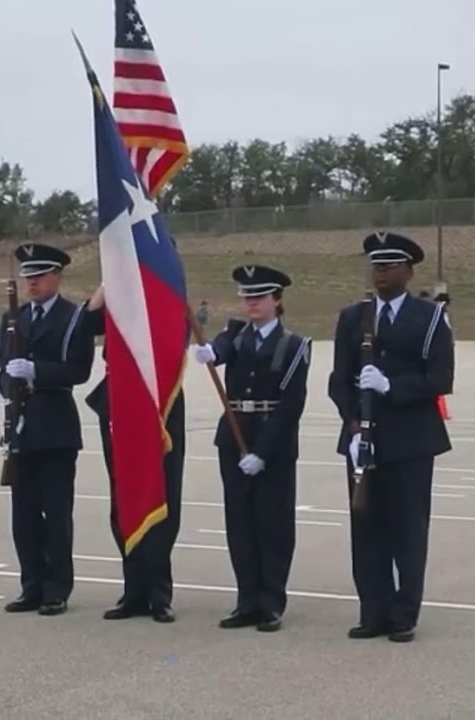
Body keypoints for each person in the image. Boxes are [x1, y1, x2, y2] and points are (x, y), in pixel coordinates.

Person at [327, 231, 455, 643]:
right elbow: (339, 381)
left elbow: (440, 378)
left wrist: (392, 387)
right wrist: (351, 425)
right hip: (362, 440)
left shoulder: (430, 317)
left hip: (411, 440)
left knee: (408, 530)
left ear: (408, 270)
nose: (381, 272)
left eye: (390, 265)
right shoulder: (352, 317)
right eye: (376, 265)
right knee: (366, 529)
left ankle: (404, 613)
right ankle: (373, 611)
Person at [192, 264, 311, 633]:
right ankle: (246, 600)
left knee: (272, 523)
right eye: (246, 297)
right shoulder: (235, 334)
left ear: (277, 300)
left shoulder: (294, 346)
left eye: (259, 296)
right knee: (240, 522)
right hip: (234, 437)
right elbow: (224, 347)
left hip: (271, 442)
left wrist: (263, 451)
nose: (251, 303)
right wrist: (211, 352)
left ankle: (271, 601)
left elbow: (292, 404)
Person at [0, 243, 96, 617]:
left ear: (57, 276)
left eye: (39, 276)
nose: (32, 283)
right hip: (21, 426)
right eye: (28, 277)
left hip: (55, 425)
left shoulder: (73, 318)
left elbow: (79, 371)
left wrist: (37, 373)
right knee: (23, 515)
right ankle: (31, 585)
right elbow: (2, 370)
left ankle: (57, 587)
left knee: (55, 512)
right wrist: (11, 390)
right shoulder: (13, 318)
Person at [78, 286, 185, 624]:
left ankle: (158, 592)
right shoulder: (118, 288)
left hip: (159, 403)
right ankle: (133, 588)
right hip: (120, 400)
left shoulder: (166, 291)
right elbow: (86, 324)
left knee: (162, 495)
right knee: (123, 495)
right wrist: (112, 276)